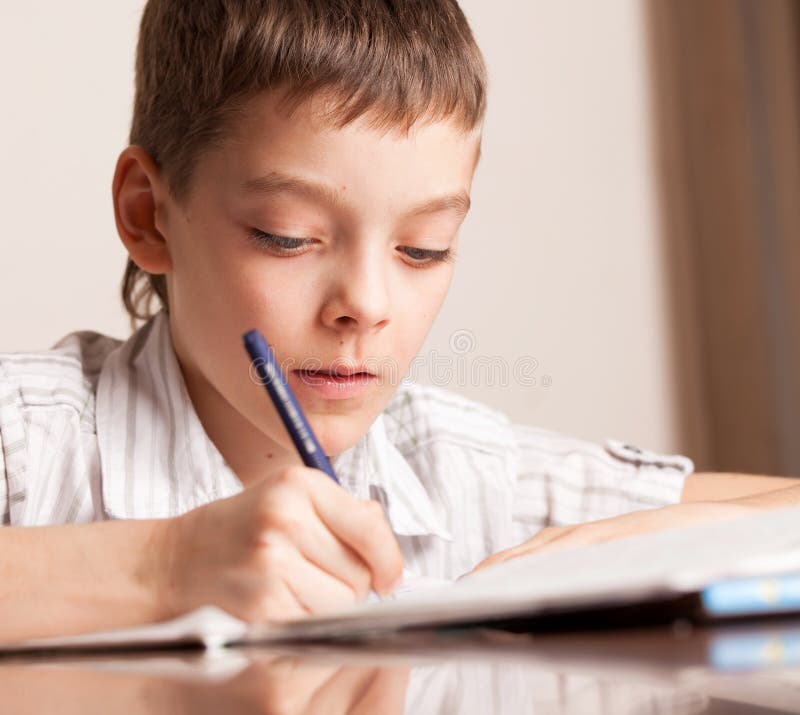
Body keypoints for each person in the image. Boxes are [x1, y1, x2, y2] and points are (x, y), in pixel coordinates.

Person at [1, 0, 797, 643]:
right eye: (288, 236)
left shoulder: (457, 472)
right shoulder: (31, 442)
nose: (368, 305)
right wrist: (165, 568)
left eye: (423, 248)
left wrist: (670, 538)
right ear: (149, 215)